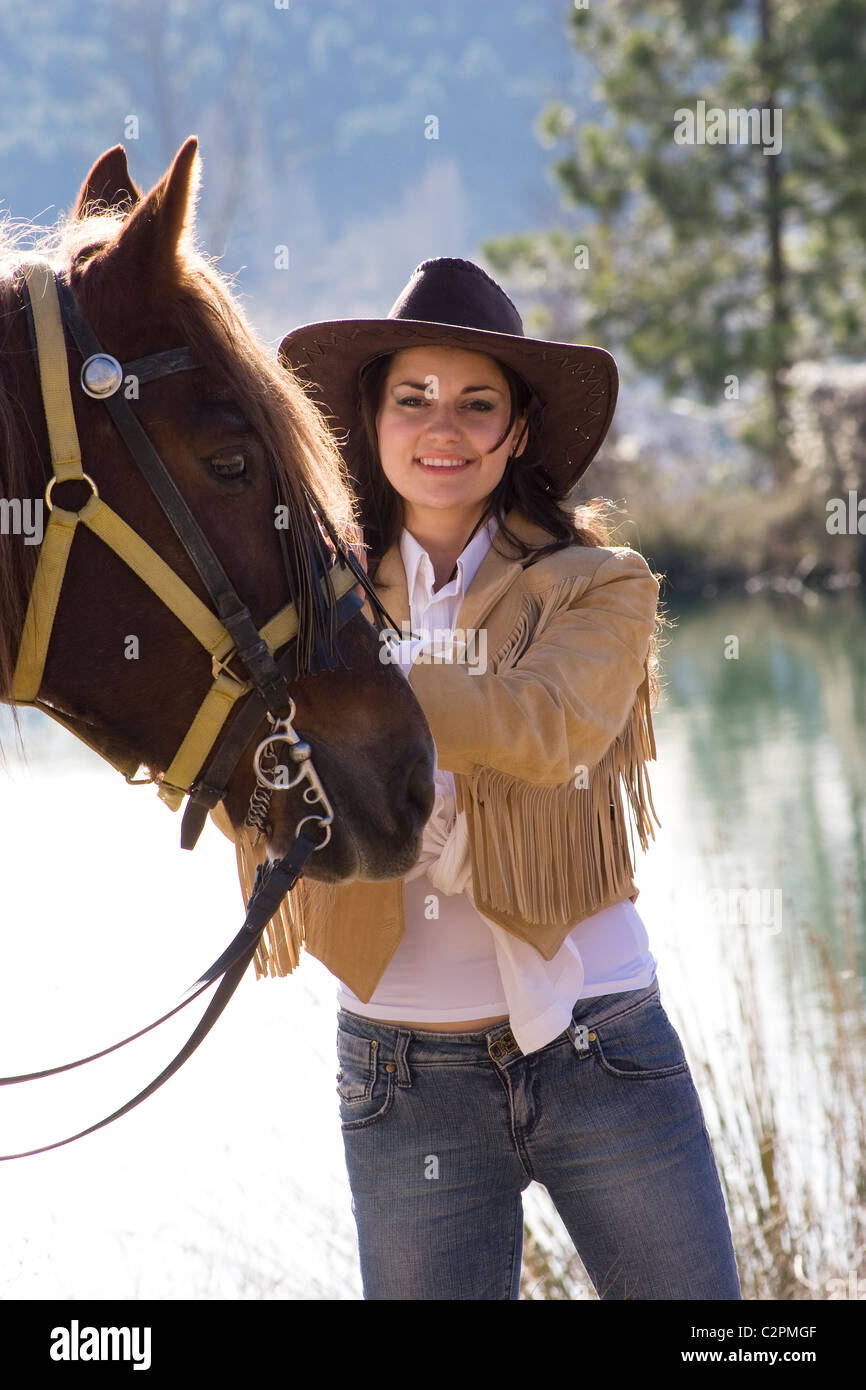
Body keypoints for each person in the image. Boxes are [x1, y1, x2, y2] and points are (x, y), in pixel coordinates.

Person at [272, 258, 742, 1301]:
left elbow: (549, 728)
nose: (443, 425)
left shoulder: (600, 585)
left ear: (517, 432)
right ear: (371, 417)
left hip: (600, 1045)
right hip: (398, 1074)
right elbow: (244, 770)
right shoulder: (302, 603)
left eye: (476, 402)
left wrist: (357, 684)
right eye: (414, 398)